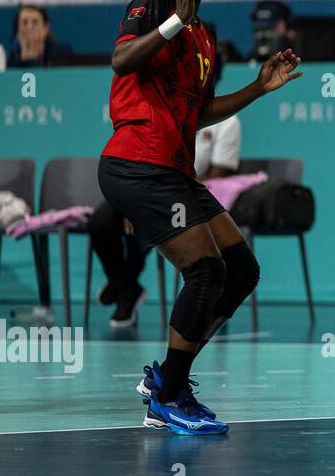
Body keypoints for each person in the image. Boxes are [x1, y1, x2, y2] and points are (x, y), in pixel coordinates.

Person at [98, 0, 302, 434]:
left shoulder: (206, 36)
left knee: (242, 271)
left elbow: (200, 111)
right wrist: (174, 21)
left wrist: (258, 88)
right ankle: (169, 396)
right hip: (137, 163)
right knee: (206, 270)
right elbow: (122, 60)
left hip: (175, 170)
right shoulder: (151, 4)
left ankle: (167, 377)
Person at [91, 49, 243, 328]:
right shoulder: (158, 109)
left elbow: (219, 173)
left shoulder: (227, 122)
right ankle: (124, 283)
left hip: (182, 192)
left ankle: (126, 294)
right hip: (144, 184)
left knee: (147, 226)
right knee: (100, 222)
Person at [6, 4, 72, 67]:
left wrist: (33, 57)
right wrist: (24, 55)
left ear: (46, 28)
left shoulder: (62, 52)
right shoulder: (13, 55)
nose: (29, 27)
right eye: (24, 22)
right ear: (17, 29)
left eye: (35, 22)